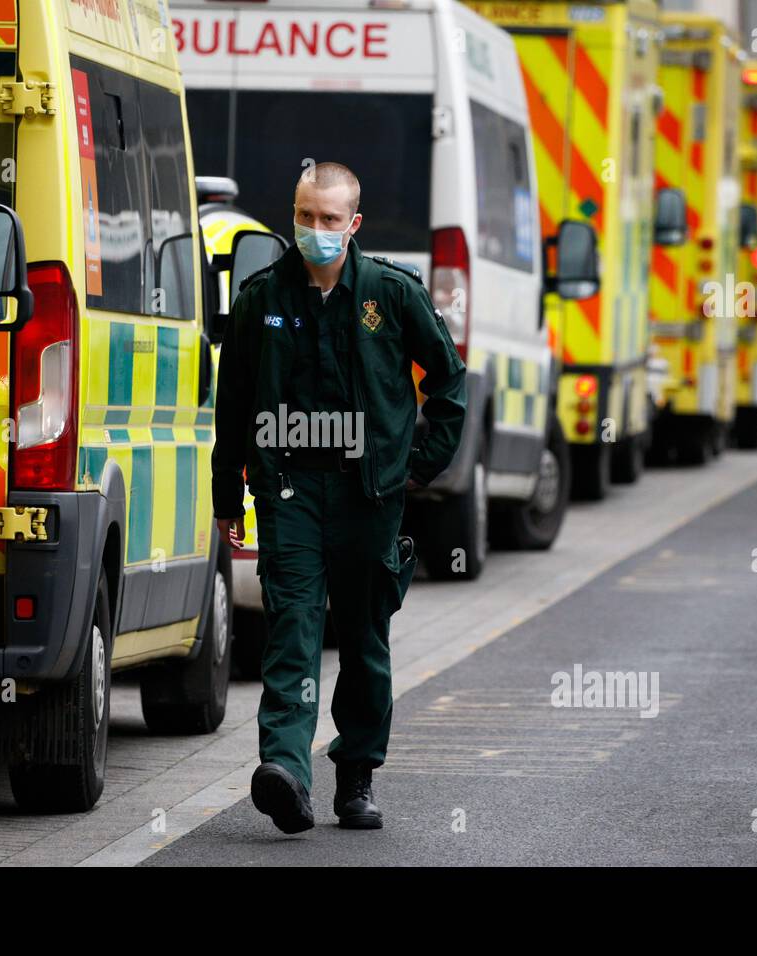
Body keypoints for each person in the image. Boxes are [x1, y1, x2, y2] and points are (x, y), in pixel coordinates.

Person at [212, 162, 466, 833]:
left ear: (353, 224)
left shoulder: (391, 293)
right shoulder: (260, 298)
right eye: (304, 216)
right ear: (291, 214)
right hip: (289, 491)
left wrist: (416, 468)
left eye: (328, 220)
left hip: (368, 495)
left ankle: (356, 775)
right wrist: (226, 498)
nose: (315, 231)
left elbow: (449, 382)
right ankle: (287, 771)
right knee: (292, 629)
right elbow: (233, 403)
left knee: (363, 637)